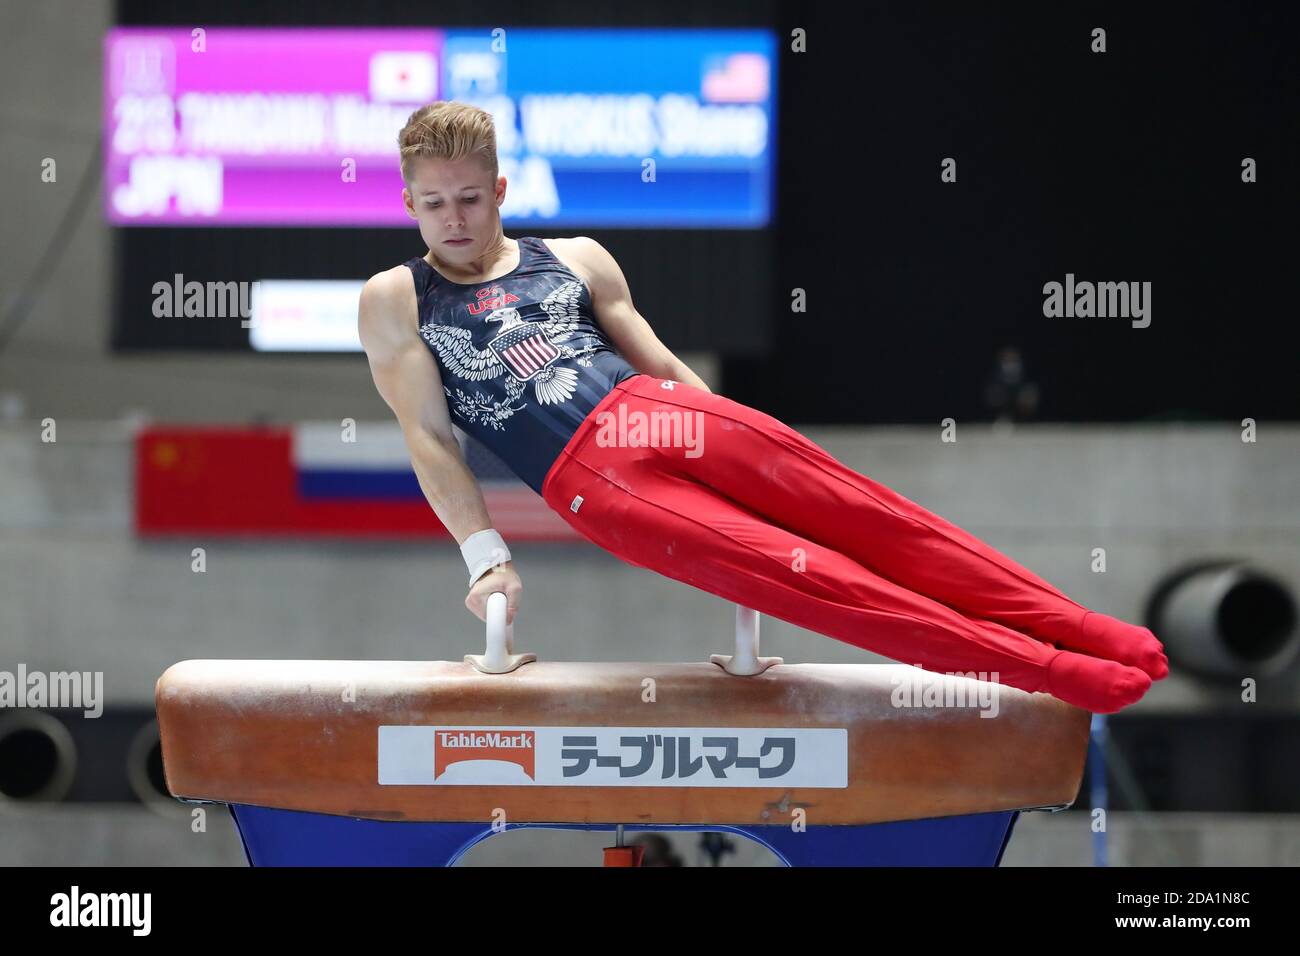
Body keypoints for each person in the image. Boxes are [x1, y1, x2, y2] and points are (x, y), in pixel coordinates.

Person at [357, 101, 1168, 713]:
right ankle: (1052, 671)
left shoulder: (574, 258)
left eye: (469, 198)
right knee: (822, 582)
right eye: (434, 205)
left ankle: (1081, 625)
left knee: (880, 522)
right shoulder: (397, 299)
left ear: (500, 187)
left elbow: (665, 365)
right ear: (408, 204)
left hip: (666, 411)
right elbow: (429, 436)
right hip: (594, 479)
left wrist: (730, 445)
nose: (454, 220)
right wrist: (486, 556)